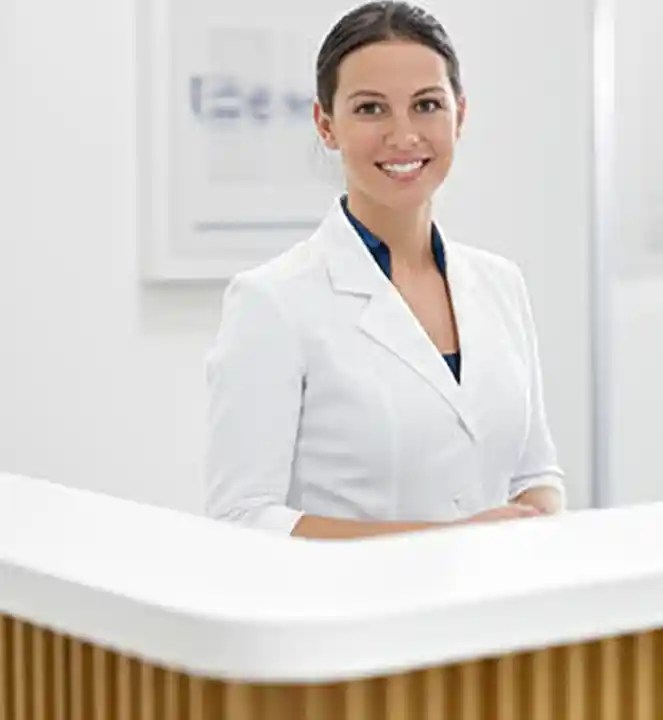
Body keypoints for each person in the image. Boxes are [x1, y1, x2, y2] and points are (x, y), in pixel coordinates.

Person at [204, 1, 565, 539]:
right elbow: (243, 517)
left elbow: (535, 473)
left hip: (498, 615)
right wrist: (448, 542)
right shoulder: (272, 301)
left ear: (459, 115)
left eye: (426, 105)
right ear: (326, 124)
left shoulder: (502, 284)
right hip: (354, 616)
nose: (404, 135)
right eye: (371, 109)